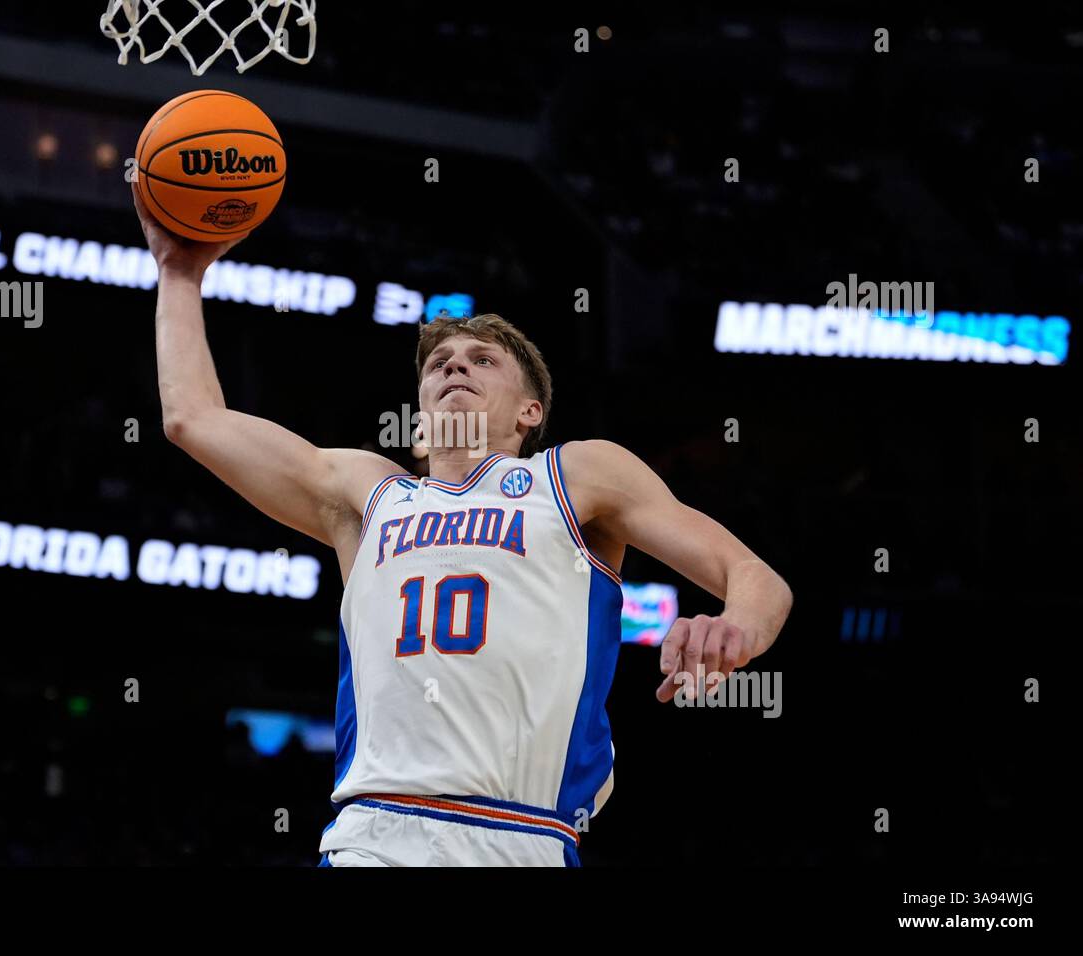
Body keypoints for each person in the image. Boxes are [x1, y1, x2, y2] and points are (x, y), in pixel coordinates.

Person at [134, 186, 793, 866]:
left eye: (483, 361)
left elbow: (753, 576)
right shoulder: (367, 496)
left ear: (529, 413)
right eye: (440, 364)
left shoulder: (574, 477)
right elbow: (194, 420)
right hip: (373, 835)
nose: (455, 366)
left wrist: (734, 629)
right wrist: (179, 274)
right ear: (419, 423)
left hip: (522, 836)